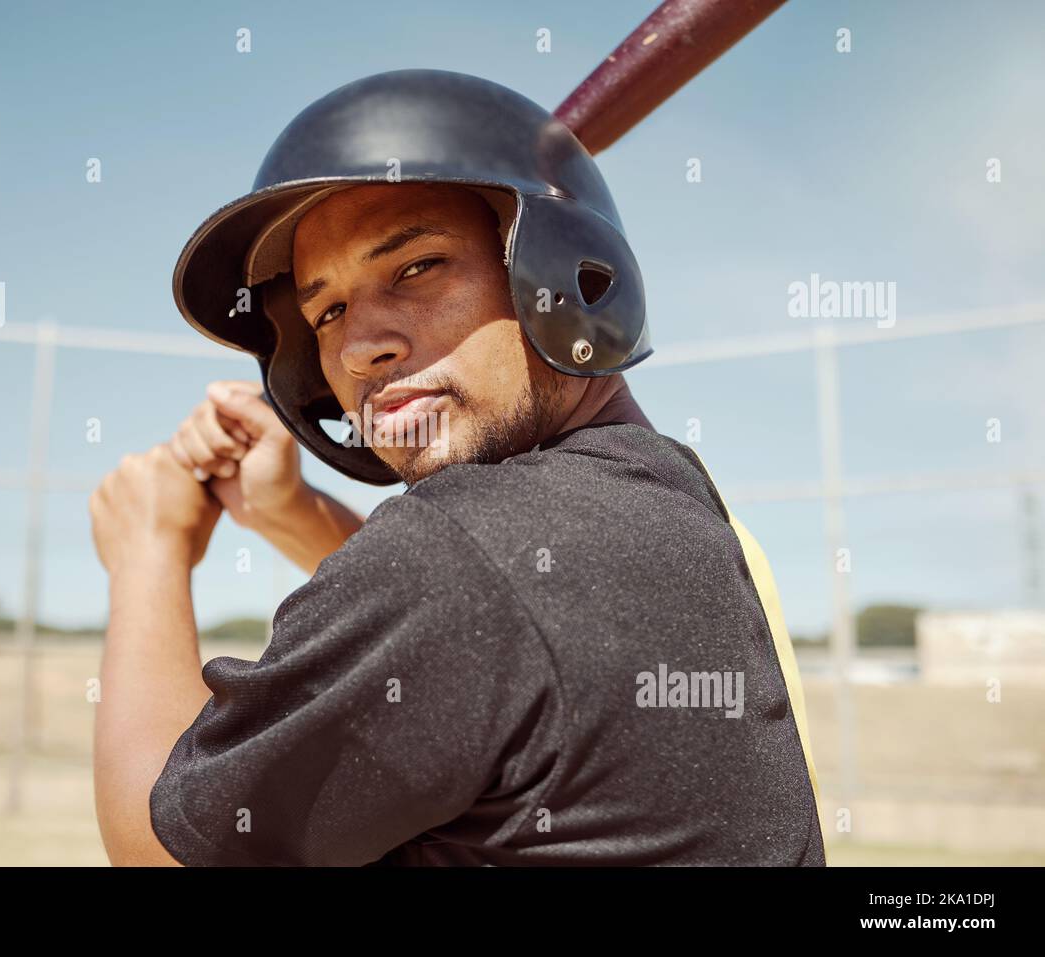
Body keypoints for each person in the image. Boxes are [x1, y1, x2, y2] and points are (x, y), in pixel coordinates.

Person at [90, 69, 824, 866]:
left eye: (416, 267)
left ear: (560, 272)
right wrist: (289, 511)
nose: (359, 345)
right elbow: (488, 624)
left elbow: (156, 850)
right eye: (327, 311)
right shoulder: (668, 497)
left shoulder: (465, 558)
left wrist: (149, 550)